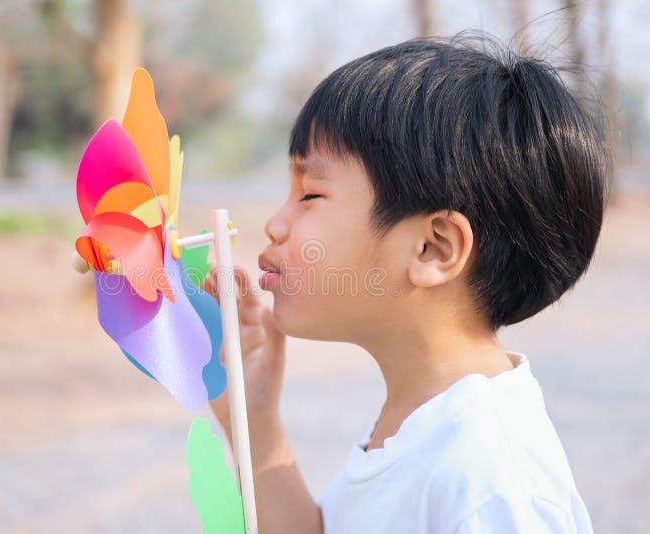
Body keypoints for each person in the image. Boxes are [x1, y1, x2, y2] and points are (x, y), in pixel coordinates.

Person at [203, 33, 606, 533]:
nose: (275, 225)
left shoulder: (490, 484)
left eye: (309, 194)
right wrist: (255, 421)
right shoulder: (422, 420)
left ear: (433, 248)